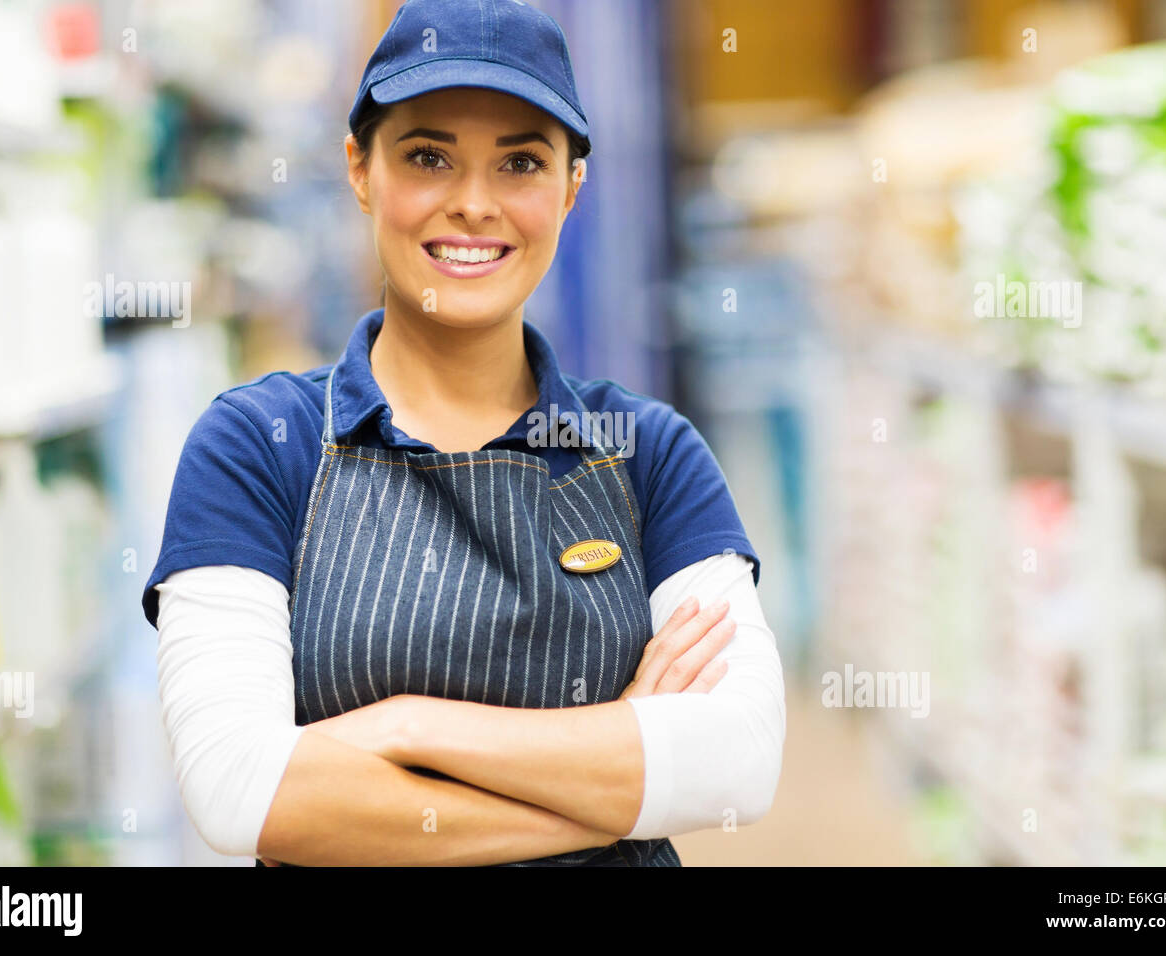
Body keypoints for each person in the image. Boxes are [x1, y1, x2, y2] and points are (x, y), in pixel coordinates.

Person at [143, 0, 785, 867]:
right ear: (360, 171)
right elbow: (236, 789)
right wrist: (620, 771)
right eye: (428, 156)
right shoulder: (258, 447)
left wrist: (405, 728)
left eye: (520, 162)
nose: (474, 205)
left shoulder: (646, 450)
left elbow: (738, 763)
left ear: (571, 188)